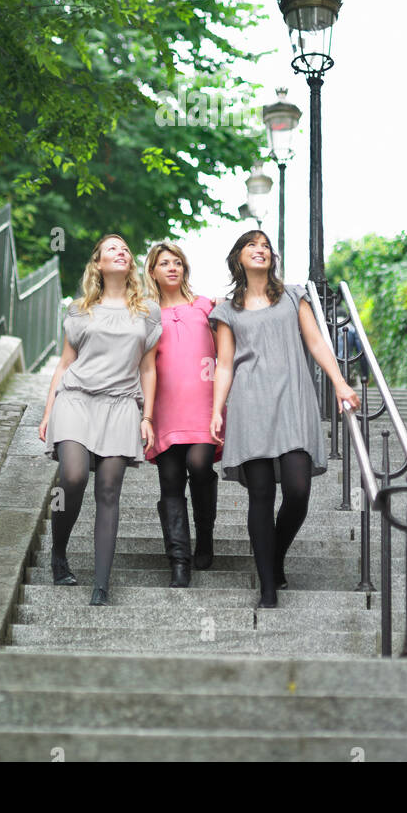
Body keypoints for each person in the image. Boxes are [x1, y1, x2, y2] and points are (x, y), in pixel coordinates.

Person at [209, 229, 360, 609]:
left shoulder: (294, 295)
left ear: (273, 258)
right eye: (251, 246)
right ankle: (267, 587)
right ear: (238, 257)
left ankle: (275, 557)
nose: (260, 250)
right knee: (260, 495)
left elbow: (316, 342)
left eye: (266, 246)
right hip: (249, 403)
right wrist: (216, 409)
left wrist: (340, 384)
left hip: (293, 399)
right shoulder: (227, 310)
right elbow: (224, 365)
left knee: (297, 490)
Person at [38, 233, 161, 606]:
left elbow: (148, 369)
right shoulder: (79, 309)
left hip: (122, 404)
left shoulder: (147, 312)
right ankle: (59, 553)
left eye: (126, 248)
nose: (121, 251)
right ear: (99, 263)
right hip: (75, 400)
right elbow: (65, 364)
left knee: (108, 491)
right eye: (112, 248)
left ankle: (101, 585)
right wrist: (48, 412)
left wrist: (148, 416)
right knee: (72, 476)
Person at [143, 242, 221, 587]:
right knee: (171, 480)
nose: (172, 268)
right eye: (164, 263)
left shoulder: (205, 306)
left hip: (203, 405)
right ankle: (179, 561)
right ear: (153, 272)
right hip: (164, 408)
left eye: (177, 262)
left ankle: (205, 535)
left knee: (201, 464)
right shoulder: (145, 313)